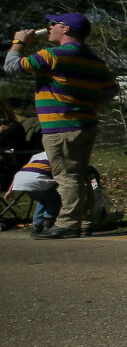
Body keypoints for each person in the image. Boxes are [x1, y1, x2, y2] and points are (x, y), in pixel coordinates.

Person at [6, 14, 118, 239]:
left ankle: (67, 223)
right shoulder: (94, 60)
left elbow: (12, 67)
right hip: (85, 124)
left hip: (60, 126)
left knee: (66, 176)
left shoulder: (52, 55)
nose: (49, 27)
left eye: (54, 24)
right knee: (80, 174)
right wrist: (92, 107)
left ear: (66, 29)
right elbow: (111, 89)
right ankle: (86, 220)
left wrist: (18, 43)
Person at [6, 152, 60, 232]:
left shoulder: (36, 155)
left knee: (42, 200)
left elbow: (21, 173)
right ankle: (48, 223)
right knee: (54, 200)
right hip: (37, 179)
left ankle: (37, 225)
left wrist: (9, 191)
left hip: (20, 179)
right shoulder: (59, 153)